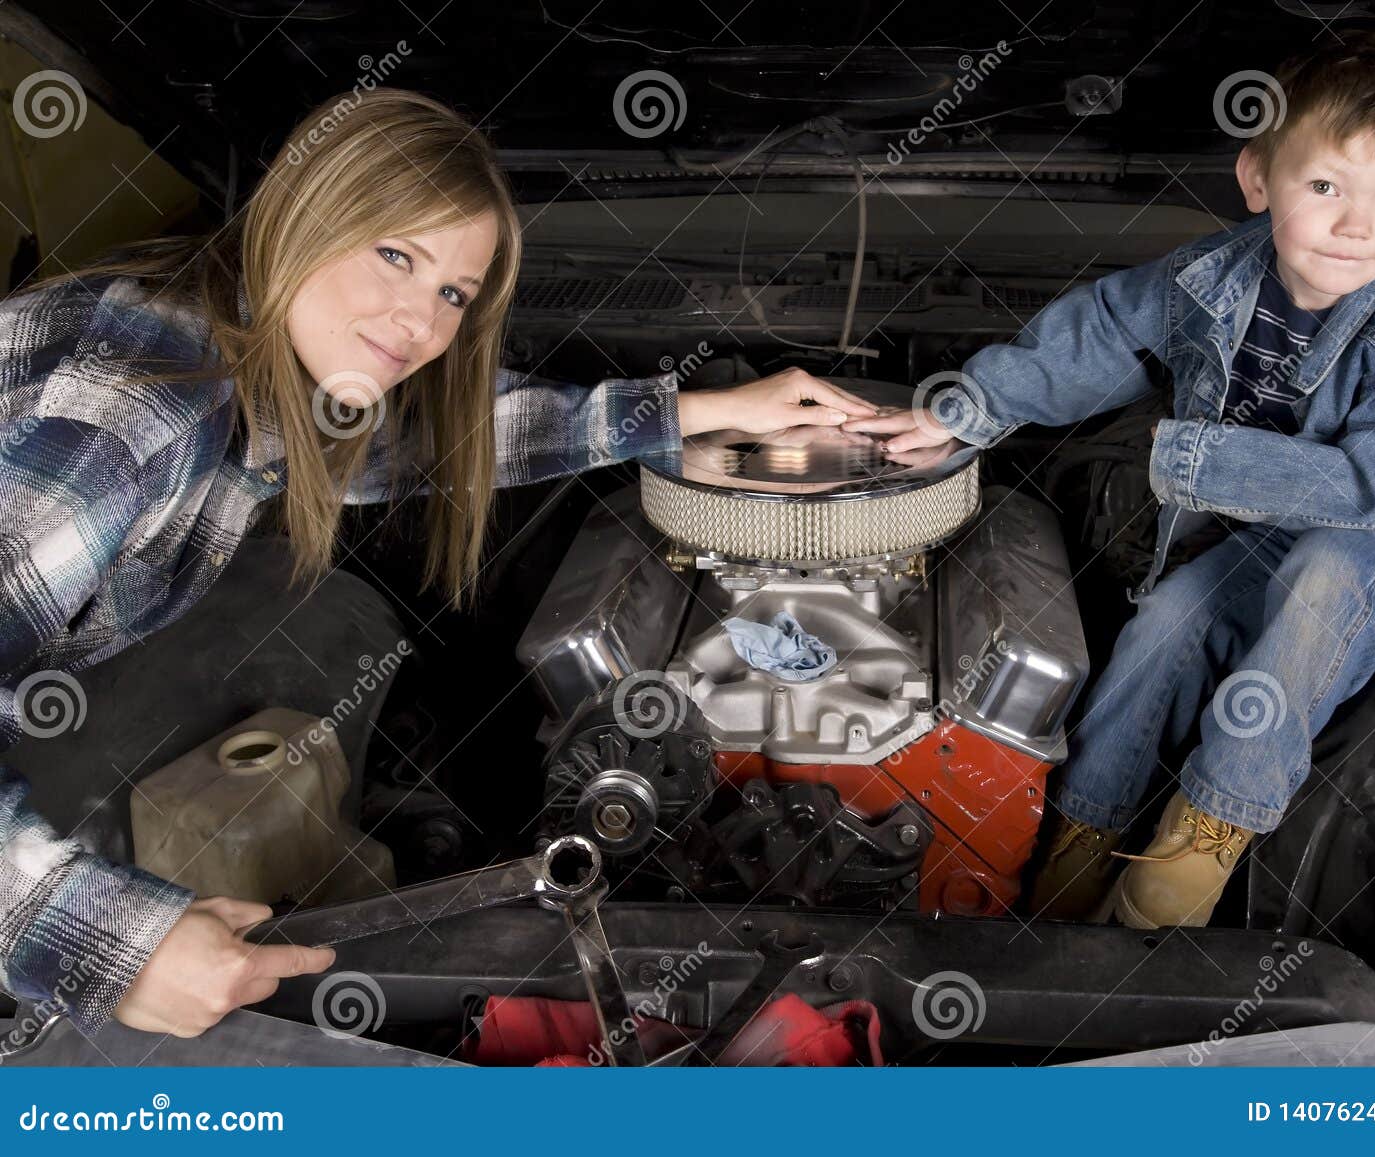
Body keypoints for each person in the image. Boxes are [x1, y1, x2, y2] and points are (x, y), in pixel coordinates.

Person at [0, 88, 877, 1040]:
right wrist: (94, 938)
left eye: (454, 293)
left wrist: (689, 417)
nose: (418, 323)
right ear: (307, 209)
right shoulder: (137, 414)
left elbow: (420, 442)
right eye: (394, 255)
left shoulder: (252, 353)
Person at [845, 31, 1375, 928]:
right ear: (1258, 180)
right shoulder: (1217, 275)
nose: (1357, 225)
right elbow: (1104, 332)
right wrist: (961, 410)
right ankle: (1073, 856)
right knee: (1168, 620)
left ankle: (1182, 876)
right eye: (1325, 188)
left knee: (1323, 581)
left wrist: (1201, 460)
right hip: (1292, 507)